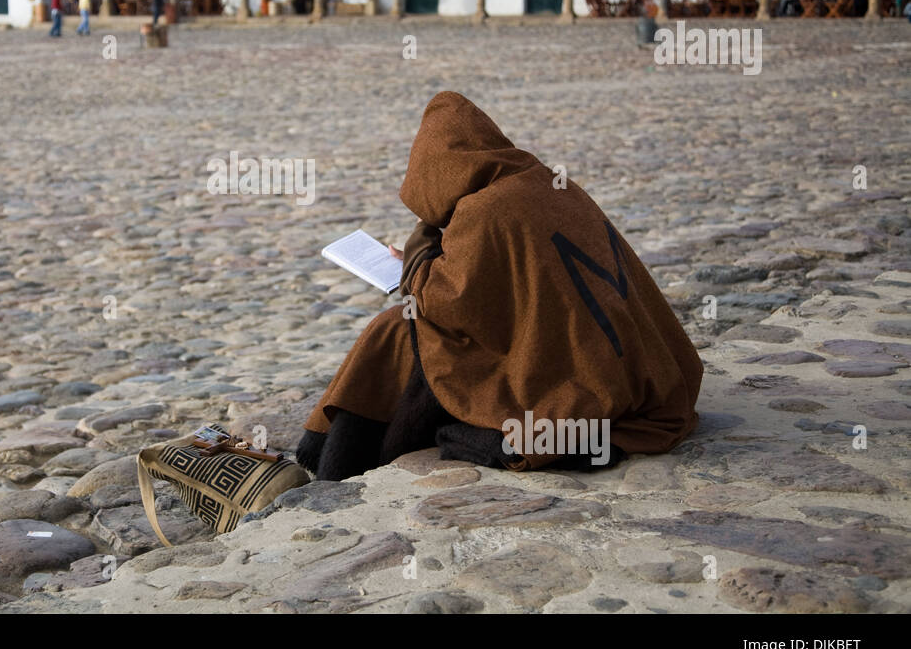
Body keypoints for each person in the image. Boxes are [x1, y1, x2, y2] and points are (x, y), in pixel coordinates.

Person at [295, 92, 703, 481]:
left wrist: (423, 241)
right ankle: (350, 457)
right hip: (621, 360)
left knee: (396, 334)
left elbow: (441, 302)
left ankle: (346, 463)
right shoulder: (542, 181)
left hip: (573, 371)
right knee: (398, 333)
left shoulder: (484, 210)